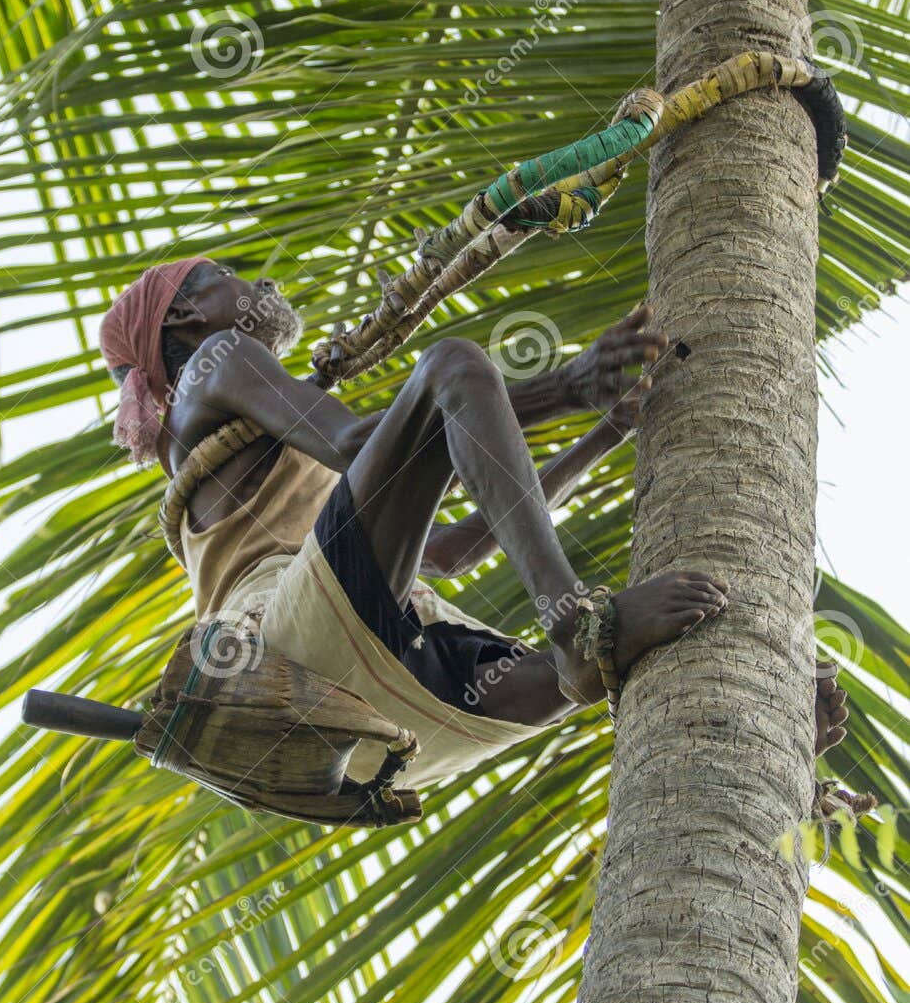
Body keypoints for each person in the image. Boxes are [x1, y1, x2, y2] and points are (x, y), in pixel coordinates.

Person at [100, 256, 848, 789]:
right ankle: (575, 625)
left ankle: (766, 728)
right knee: (452, 364)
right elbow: (361, 441)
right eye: (228, 274)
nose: (260, 283)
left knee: (607, 666)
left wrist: (603, 431)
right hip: (292, 648)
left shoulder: (262, 484)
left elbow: (455, 551)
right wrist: (562, 387)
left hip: (382, 728)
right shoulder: (215, 362)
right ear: (190, 316)